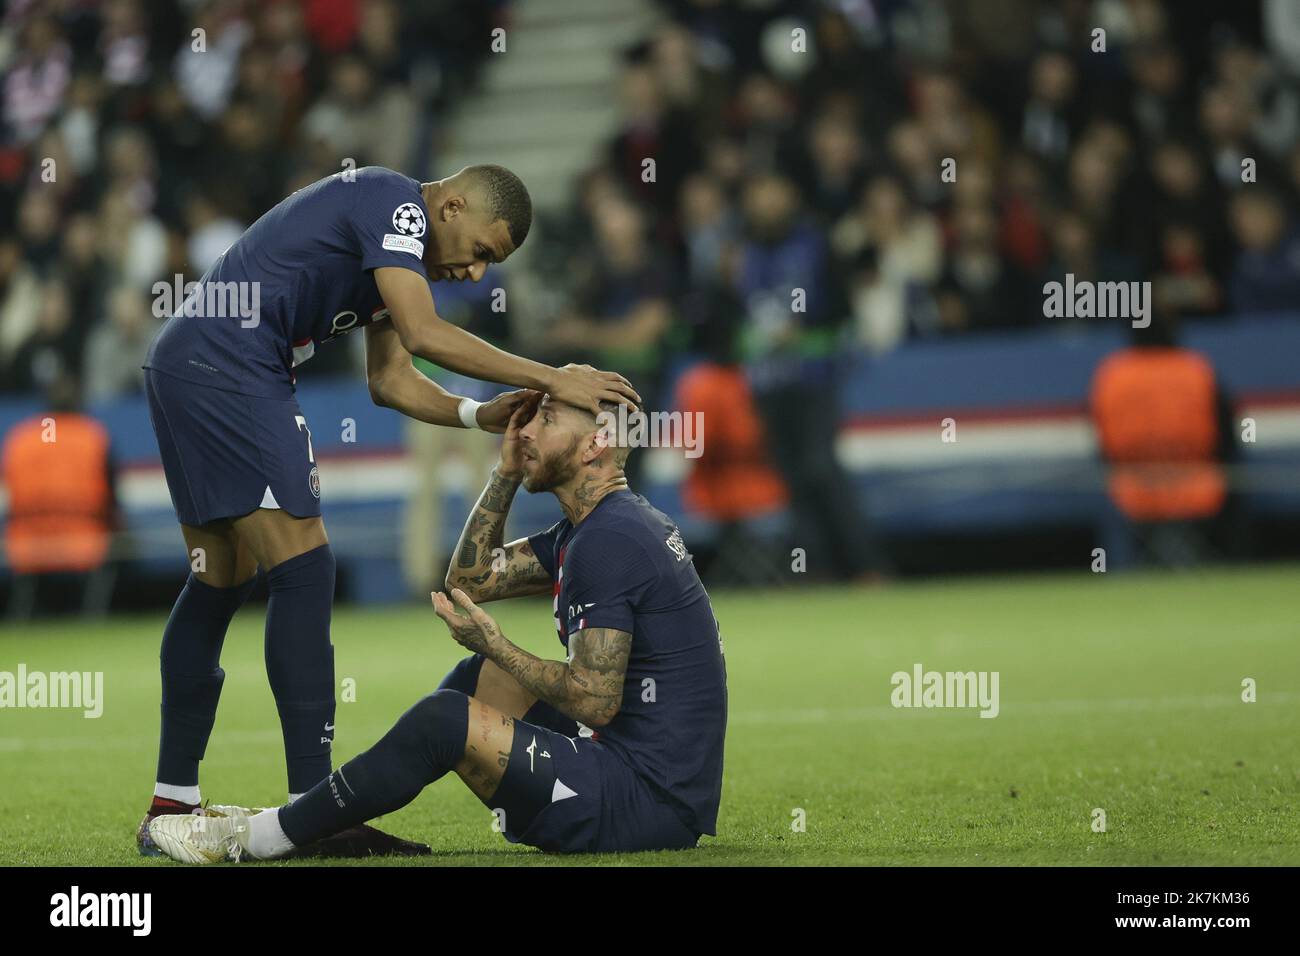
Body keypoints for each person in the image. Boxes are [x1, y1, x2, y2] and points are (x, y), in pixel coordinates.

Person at [136, 163, 640, 858]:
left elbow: (390, 379)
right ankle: (315, 815)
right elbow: (425, 333)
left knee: (221, 574)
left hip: (187, 362)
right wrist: (555, 375)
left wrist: (474, 413)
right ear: (452, 205)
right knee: (307, 568)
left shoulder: (393, 253)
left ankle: (172, 805)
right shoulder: (395, 203)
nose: (475, 275)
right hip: (231, 366)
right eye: (483, 252)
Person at [147, 390, 728, 861]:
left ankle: (263, 838)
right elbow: (470, 579)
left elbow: (596, 700)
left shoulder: (609, 541)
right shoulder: (593, 527)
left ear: (596, 444)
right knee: (481, 678)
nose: (524, 430)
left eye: (545, 420)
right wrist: (503, 474)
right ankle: (322, 821)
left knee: (444, 719)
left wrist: (498, 642)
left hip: (644, 802)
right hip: (634, 769)